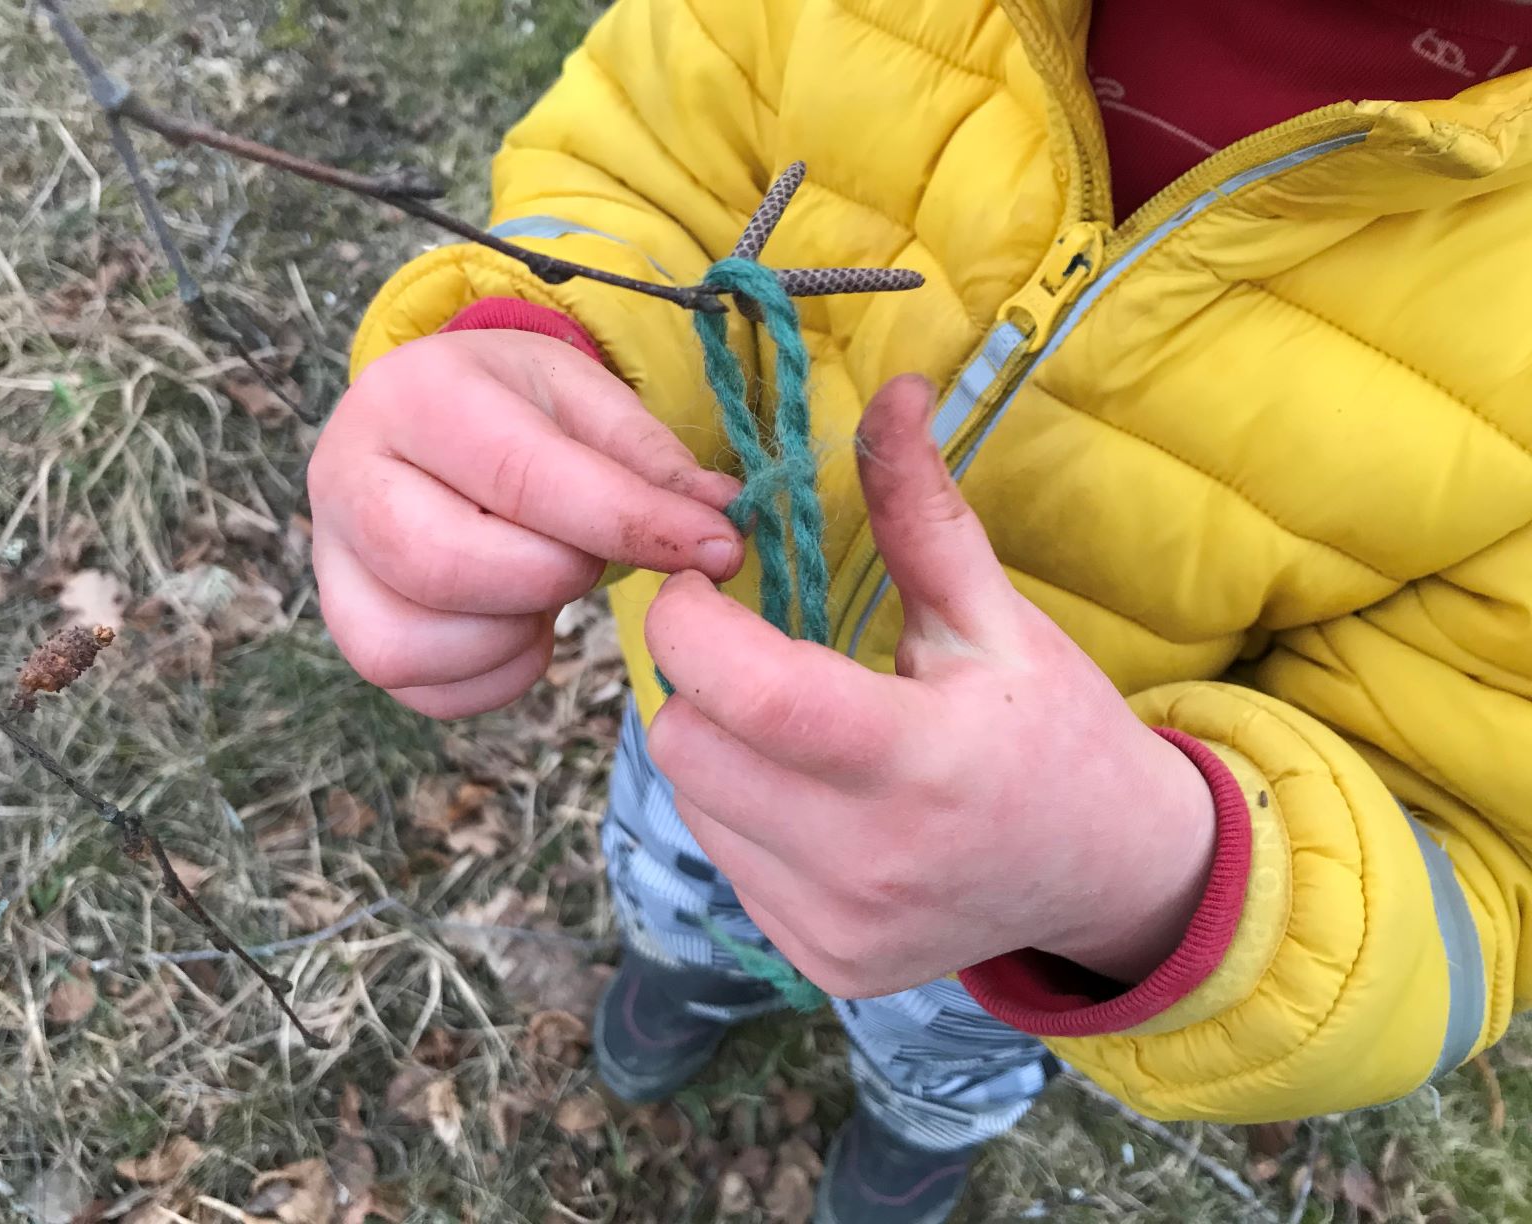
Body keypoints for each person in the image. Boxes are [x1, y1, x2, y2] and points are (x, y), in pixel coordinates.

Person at [307, 2, 1532, 1220]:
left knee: (939, 1043)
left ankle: (918, 1126)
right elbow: (644, 153)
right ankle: (688, 972)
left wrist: (1147, 879)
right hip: (699, 721)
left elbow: (1472, 848)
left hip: (1016, 922)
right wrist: (542, 344)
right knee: (675, 872)